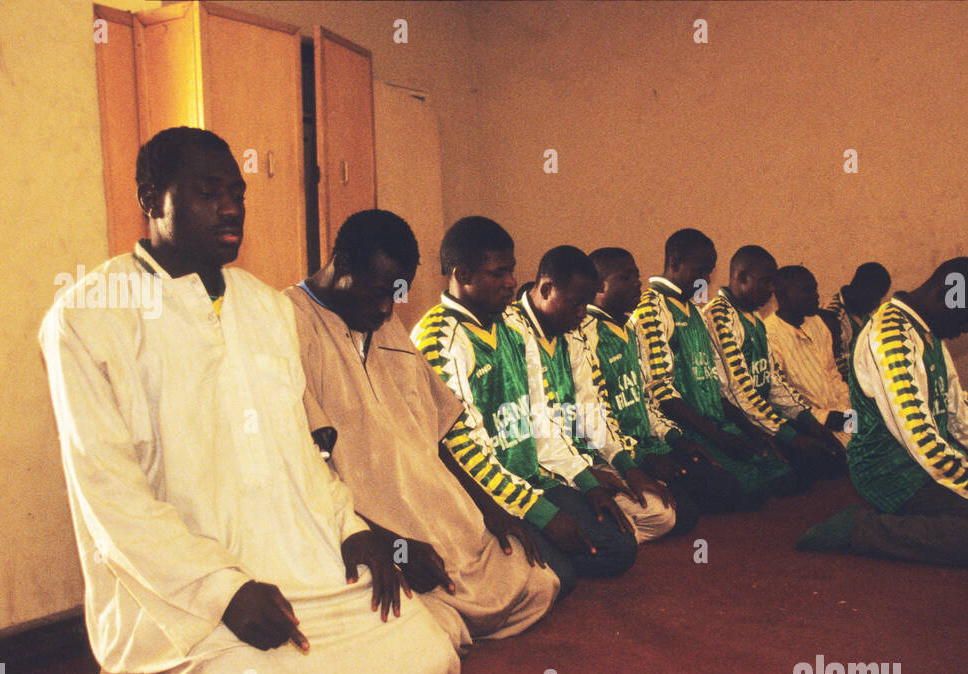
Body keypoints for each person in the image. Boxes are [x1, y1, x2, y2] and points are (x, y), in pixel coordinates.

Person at [40, 127, 462, 674]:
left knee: (427, 650)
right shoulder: (88, 316)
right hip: (180, 586)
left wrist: (352, 529)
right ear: (153, 198)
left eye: (236, 193)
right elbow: (106, 492)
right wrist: (222, 591)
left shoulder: (265, 308)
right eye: (208, 193)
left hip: (298, 558)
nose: (231, 208)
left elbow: (299, 449)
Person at [287, 209, 559, 641]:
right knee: (433, 632)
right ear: (341, 264)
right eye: (378, 293)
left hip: (437, 515)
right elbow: (299, 472)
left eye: (395, 296)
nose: (385, 309)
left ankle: (455, 613)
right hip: (366, 528)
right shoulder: (289, 325)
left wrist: (490, 508)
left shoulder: (386, 324)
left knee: (543, 582)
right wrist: (387, 542)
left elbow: (437, 431)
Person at [412, 217, 637, 596]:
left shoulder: (514, 329)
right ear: (462, 274)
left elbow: (543, 420)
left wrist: (585, 481)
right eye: (498, 273)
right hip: (483, 494)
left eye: (512, 270)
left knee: (619, 548)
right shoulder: (440, 338)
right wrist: (541, 515)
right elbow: (463, 450)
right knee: (559, 578)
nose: (512, 282)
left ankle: (532, 558)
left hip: (532, 481)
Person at [797, 257, 968, 568]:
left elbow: (959, 411)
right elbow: (922, 439)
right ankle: (862, 529)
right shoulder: (889, 337)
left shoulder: (924, 330)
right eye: (965, 317)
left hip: (927, 463)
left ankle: (966, 515)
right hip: (891, 474)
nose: (965, 329)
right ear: (942, 294)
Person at [510, 245, 693, 538]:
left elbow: (592, 411)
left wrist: (627, 467)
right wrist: (586, 479)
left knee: (665, 514)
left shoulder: (571, 333)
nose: (583, 314)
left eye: (586, 304)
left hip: (581, 458)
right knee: (616, 545)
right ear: (546, 289)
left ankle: (612, 530)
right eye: (575, 304)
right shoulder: (514, 333)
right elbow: (539, 431)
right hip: (542, 468)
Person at [631, 228, 803, 507]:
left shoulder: (698, 313)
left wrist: (748, 429)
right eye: (702, 270)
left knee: (790, 473)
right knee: (743, 491)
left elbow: (718, 385)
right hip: (688, 431)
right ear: (674, 263)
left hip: (717, 426)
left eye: (710, 270)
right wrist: (718, 437)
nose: (708, 278)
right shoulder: (651, 310)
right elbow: (660, 392)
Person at [586, 247, 744, 514]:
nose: (638, 283)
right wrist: (641, 459)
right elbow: (596, 418)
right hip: (618, 452)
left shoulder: (630, 329)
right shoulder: (588, 335)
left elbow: (646, 401)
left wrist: (675, 438)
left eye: (636, 275)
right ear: (600, 286)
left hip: (650, 441)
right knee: (684, 512)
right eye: (626, 277)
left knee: (727, 488)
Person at [701, 246, 846, 478]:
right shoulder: (719, 317)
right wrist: (791, 435)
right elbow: (738, 392)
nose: (771, 290)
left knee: (830, 452)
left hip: (768, 414)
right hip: (737, 419)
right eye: (765, 281)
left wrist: (810, 422)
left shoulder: (755, 318)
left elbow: (774, 382)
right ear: (741, 277)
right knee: (802, 469)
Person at [764, 265, 854, 448]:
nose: (816, 296)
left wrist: (849, 408)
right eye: (807, 290)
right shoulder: (769, 334)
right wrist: (823, 417)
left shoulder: (817, 324)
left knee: (881, 442)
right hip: (809, 424)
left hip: (842, 414)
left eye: (815, 288)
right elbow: (778, 397)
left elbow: (833, 374)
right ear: (782, 296)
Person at [818, 262, 891, 381]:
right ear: (859, 289)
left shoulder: (868, 310)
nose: (877, 304)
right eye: (874, 298)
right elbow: (835, 367)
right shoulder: (831, 316)